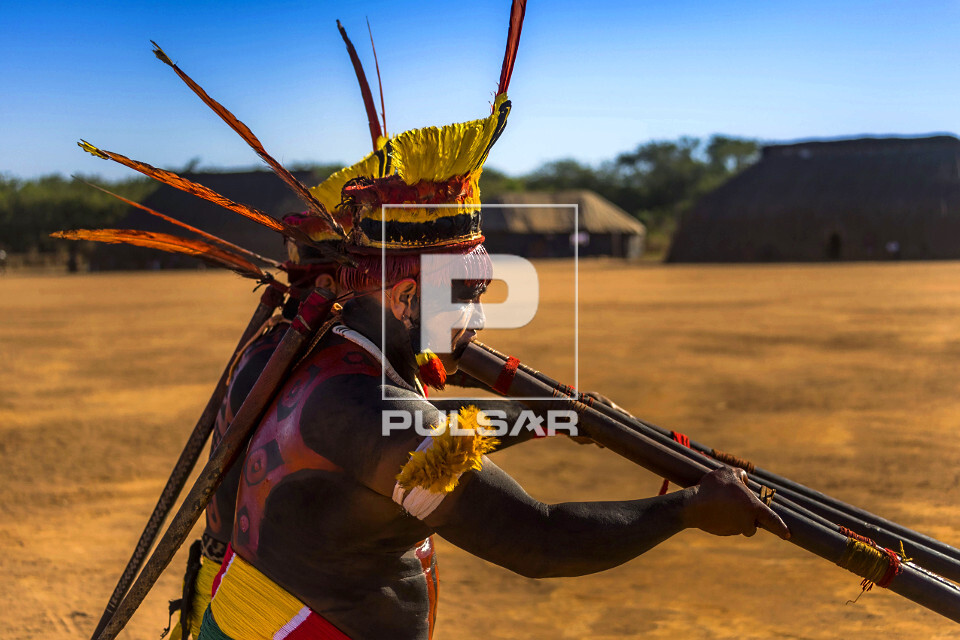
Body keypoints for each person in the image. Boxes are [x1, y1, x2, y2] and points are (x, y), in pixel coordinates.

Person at [195, 16, 789, 638]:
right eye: (467, 296)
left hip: (239, 618)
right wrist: (688, 510)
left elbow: (391, 441)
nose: (477, 318)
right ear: (403, 298)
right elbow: (538, 539)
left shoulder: (287, 349)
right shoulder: (380, 416)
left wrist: (548, 417)